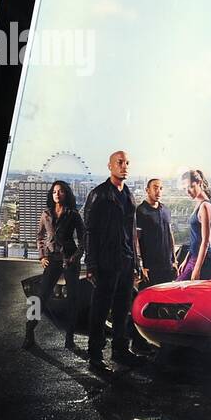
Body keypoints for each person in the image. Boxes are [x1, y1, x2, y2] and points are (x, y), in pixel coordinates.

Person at [83, 150, 143, 374]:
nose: (124, 166)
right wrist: (91, 264)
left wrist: (136, 262)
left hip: (126, 261)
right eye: (119, 162)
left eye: (127, 162)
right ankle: (95, 356)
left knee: (122, 310)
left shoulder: (129, 195)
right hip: (106, 263)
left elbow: (131, 232)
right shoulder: (99, 194)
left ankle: (120, 350)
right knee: (100, 311)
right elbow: (90, 231)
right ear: (110, 166)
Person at [27, 180, 85, 350]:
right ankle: (29, 332)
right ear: (51, 195)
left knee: (72, 299)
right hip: (52, 259)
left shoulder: (73, 214)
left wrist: (76, 256)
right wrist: (41, 256)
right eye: (54, 192)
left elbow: (83, 239)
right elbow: (39, 236)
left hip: (70, 260)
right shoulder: (46, 214)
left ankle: (70, 338)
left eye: (60, 191)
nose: (57, 194)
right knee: (39, 297)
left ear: (65, 194)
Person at [135, 178, 178, 286]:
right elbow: (136, 240)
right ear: (147, 190)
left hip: (167, 265)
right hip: (150, 267)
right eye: (155, 188)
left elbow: (170, 235)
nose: (158, 191)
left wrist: (174, 260)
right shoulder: (141, 211)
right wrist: (141, 265)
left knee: (167, 299)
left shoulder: (165, 210)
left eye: (160, 188)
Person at [176, 169, 211, 281]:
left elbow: (205, 241)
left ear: (199, 182)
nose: (188, 191)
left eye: (190, 186)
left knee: (179, 290)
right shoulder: (199, 203)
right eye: (185, 189)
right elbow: (195, 238)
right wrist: (186, 260)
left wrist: (196, 269)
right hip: (193, 257)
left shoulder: (204, 207)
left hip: (199, 259)